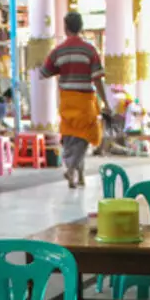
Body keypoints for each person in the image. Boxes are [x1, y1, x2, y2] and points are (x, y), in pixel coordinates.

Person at [40, 12, 111, 188]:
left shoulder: (58, 50)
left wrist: (64, 68)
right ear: (80, 27)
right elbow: (97, 78)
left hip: (67, 101)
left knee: (71, 139)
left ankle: (78, 176)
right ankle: (71, 168)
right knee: (84, 138)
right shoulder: (89, 50)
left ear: (65, 27)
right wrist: (106, 102)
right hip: (85, 102)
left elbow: (44, 72)